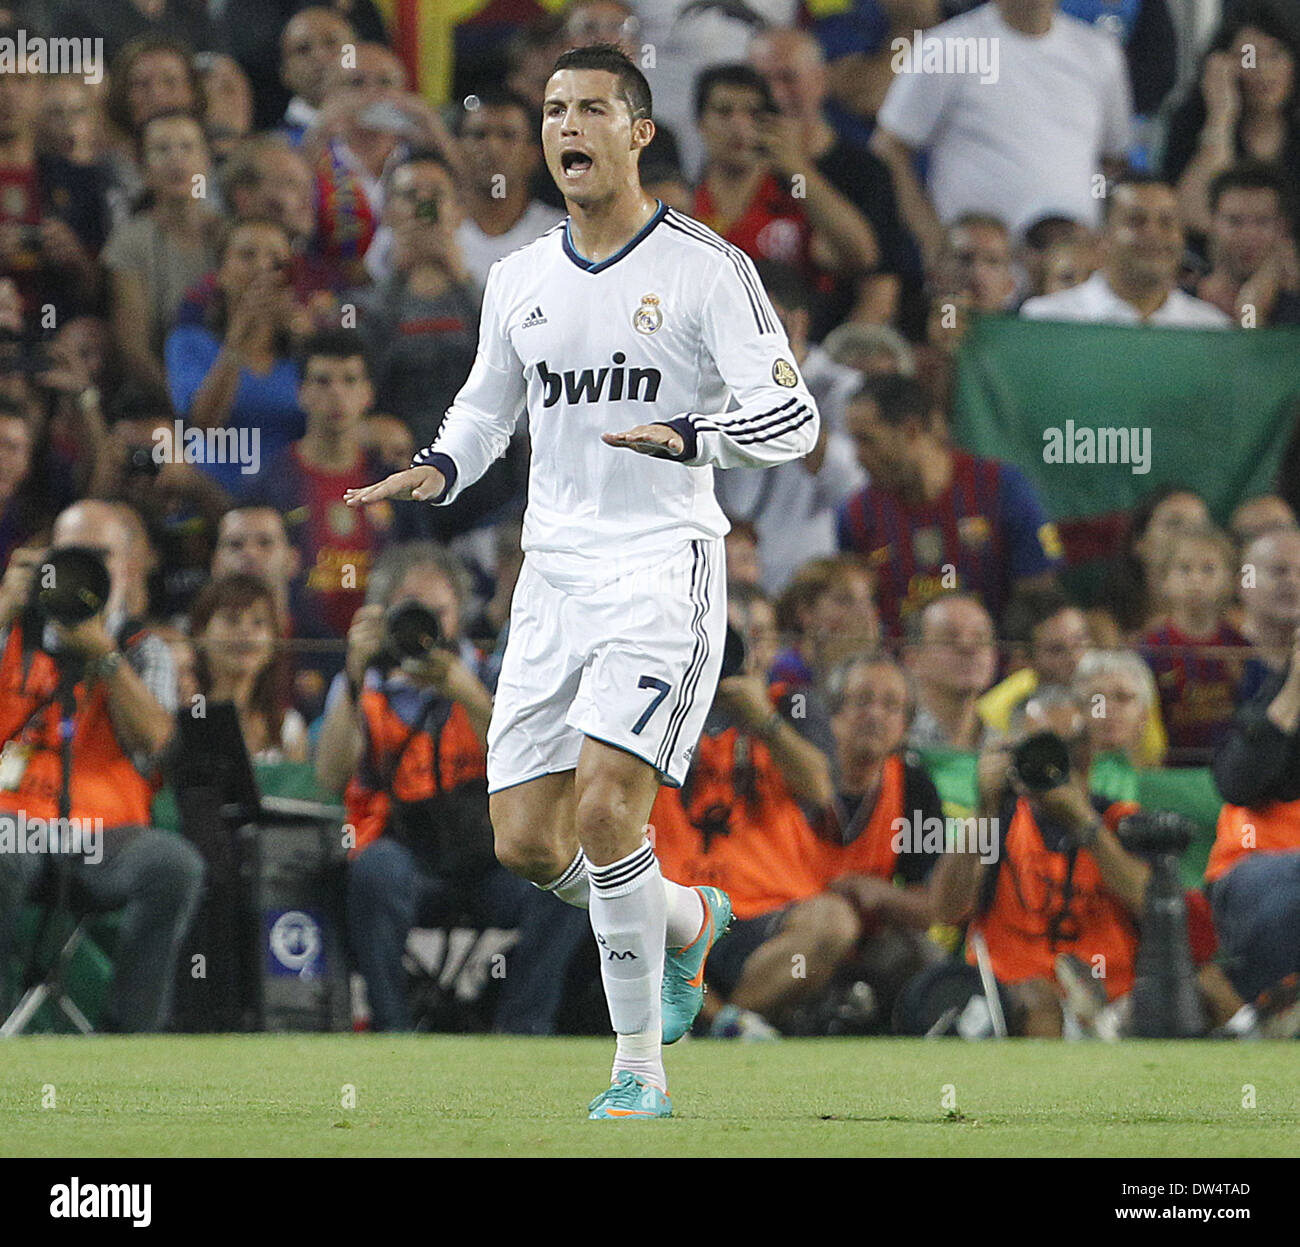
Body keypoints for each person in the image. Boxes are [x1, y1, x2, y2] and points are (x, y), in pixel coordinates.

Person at [345, 44, 820, 1119]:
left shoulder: (707, 267)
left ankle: (637, 1074)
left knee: (609, 803)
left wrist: (690, 434)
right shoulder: (517, 279)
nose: (568, 126)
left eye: (592, 108)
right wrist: (443, 461)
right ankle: (687, 920)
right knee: (524, 837)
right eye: (555, 109)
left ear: (638, 131)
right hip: (550, 579)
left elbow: (794, 420)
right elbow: (484, 407)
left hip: (664, 570)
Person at [316, 541, 588, 1034]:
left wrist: (468, 694)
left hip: (494, 855)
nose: (425, 628)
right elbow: (330, 777)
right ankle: (391, 1027)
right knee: (373, 870)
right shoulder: (368, 681)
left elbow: (531, 761)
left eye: (437, 613)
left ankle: (522, 1031)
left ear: (458, 612)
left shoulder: (491, 673)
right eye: (411, 612)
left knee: (570, 880)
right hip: (408, 857)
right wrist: (354, 673)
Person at [0, 502, 204, 1032]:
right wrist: (4, 608)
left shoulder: (144, 648)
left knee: (173, 864)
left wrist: (105, 656)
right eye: (71, 556)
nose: (84, 567)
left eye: (101, 556)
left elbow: (156, 742)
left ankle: (126, 1041)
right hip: (12, 820)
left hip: (105, 834)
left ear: (130, 568)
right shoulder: (10, 631)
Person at [870, 0, 1132, 267]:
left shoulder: (1101, 54)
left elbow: (1111, 162)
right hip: (976, 271)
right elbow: (889, 149)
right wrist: (931, 237)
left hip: (1072, 273)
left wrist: (1098, 224)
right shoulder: (947, 47)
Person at [837, 373, 1063, 637]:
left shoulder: (1000, 488)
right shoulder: (855, 515)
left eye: (867, 441)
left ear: (911, 431)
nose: (857, 457)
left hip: (995, 669)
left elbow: (1038, 597)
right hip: (900, 674)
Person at [690, 64, 879, 341]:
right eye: (724, 111)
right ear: (700, 123)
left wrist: (796, 166)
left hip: (795, 350)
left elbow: (860, 256)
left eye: (754, 113)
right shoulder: (683, 204)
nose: (739, 126)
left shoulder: (796, 202)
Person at [748, 26, 917, 331]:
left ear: (821, 81)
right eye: (762, 82)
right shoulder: (733, 164)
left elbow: (879, 281)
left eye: (788, 78)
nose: (775, 94)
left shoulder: (866, 172)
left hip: (831, 347)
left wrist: (827, 367)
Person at [712, 261, 864, 596]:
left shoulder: (841, 386)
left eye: (756, 320)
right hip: (723, 582)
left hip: (806, 586)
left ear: (795, 322)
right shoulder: (712, 382)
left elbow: (849, 485)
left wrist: (780, 386)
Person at [165, 217, 307, 495]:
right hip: (210, 493)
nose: (262, 268)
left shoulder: (307, 348)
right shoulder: (189, 341)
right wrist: (237, 343)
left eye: (276, 261)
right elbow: (203, 425)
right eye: (247, 255)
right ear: (221, 272)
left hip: (289, 498)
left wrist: (307, 341)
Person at [1207, 620, 1300, 1001]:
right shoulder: (1274, 703)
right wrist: (1295, 692)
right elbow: (1235, 784)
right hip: (1253, 869)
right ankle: (1250, 999)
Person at [103, 110, 224, 390]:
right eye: (161, 149)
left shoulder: (231, 234)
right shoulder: (130, 241)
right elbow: (133, 349)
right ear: (142, 168)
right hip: (162, 392)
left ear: (206, 161)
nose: (176, 159)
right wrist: (184, 408)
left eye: (187, 147)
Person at [1162, 1, 1300, 242]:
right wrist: (1220, 118)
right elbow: (1194, 218)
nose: (1263, 70)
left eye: (1276, 54)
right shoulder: (1190, 124)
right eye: (1249, 58)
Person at [1020, 176, 1231, 327]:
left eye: (1167, 222)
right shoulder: (1046, 320)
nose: (1153, 234)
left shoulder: (1210, 328)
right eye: (1136, 221)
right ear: (1103, 239)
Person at [1140, 523, 1250, 765]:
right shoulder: (1151, 648)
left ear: (1231, 580)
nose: (1196, 579)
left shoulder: (1242, 645)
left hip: (1233, 767)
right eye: (1184, 569)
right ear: (1164, 580)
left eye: (1208, 569)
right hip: (1171, 769)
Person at [189, 571, 309, 763]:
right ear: (200, 634)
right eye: (232, 619)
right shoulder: (192, 710)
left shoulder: (288, 726)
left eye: (259, 622)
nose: (245, 631)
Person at [453, 88, 565, 288]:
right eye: (479, 135)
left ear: (534, 154)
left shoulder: (561, 238)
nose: (492, 147)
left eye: (507, 136)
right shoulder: (431, 230)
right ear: (458, 149)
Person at [1195, 162, 1300, 325]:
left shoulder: (1294, 315)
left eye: (1262, 222)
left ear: (1281, 228)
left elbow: (1248, 341)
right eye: (1234, 221)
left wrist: (1250, 308)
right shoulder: (1179, 300)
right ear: (1211, 223)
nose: (1248, 235)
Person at [770, 555, 879, 692]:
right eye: (844, 600)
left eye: (867, 601)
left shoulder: (878, 671)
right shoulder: (783, 671)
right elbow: (803, 712)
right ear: (806, 612)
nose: (863, 613)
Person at [905, 592, 998, 752]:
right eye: (949, 638)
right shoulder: (896, 744)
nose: (968, 647)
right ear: (913, 660)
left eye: (980, 637)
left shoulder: (1003, 744)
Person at [277, 6, 356, 147]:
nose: (320, 57)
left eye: (332, 43)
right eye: (303, 49)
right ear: (285, 73)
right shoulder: (277, 147)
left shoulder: (394, 131)